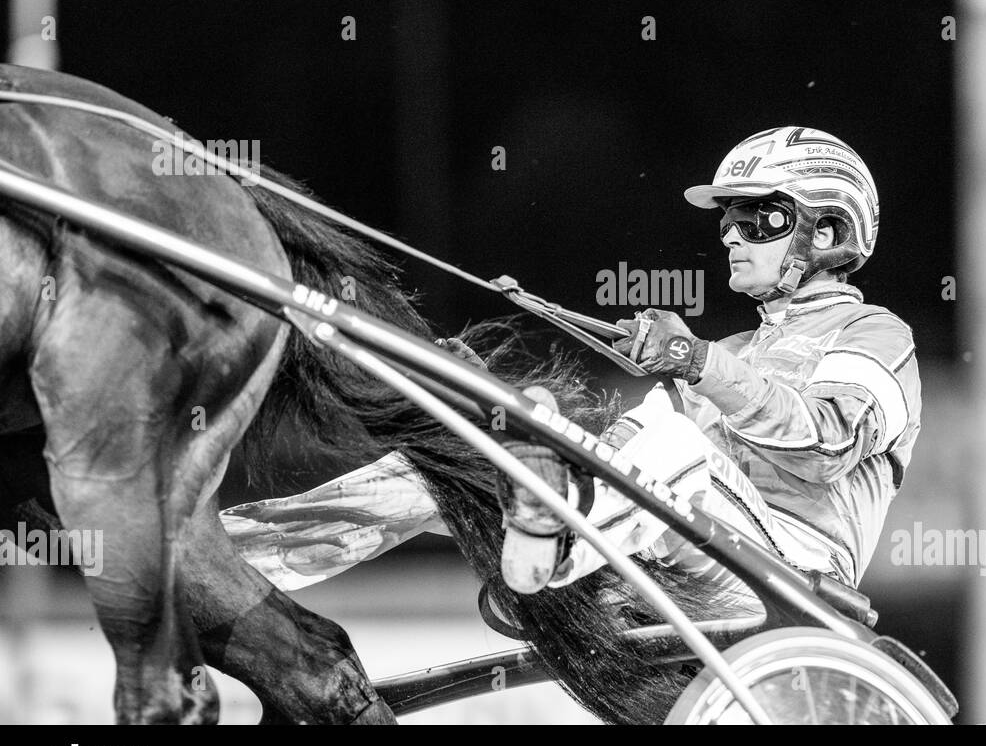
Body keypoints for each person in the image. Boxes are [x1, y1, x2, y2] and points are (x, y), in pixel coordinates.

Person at [222, 126, 920, 612]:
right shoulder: (740, 346)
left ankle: (550, 549)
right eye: (728, 222)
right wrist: (523, 430)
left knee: (671, 443)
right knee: (455, 454)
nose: (733, 236)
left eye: (759, 220)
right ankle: (229, 564)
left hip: (792, 575)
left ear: (825, 233)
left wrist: (696, 360)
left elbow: (826, 444)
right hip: (694, 546)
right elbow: (636, 453)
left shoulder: (877, 334)